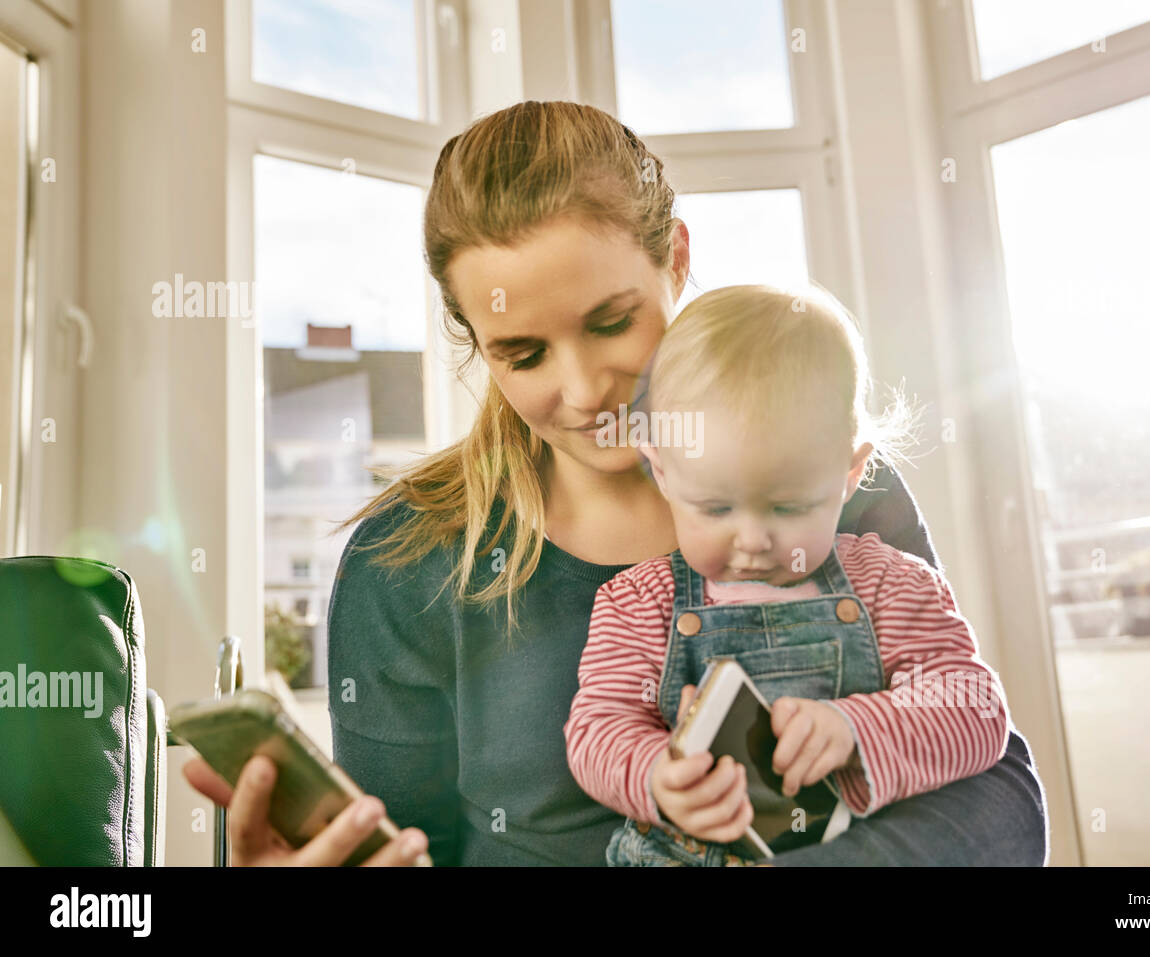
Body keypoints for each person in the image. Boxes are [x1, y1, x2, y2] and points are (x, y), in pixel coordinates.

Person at [182, 100, 1048, 866]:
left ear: (673, 258)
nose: (588, 387)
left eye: (611, 320)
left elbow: (995, 797)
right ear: (475, 345)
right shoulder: (406, 564)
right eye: (523, 353)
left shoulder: (829, 479)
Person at [564, 284, 1010, 866]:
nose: (752, 541)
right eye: (716, 509)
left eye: (789, 508)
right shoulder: (640, 604)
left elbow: (974, 707)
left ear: (850, 475)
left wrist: (856, 728)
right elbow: (600, 725)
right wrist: (656, 776)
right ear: (662, 471)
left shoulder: (888, 584)